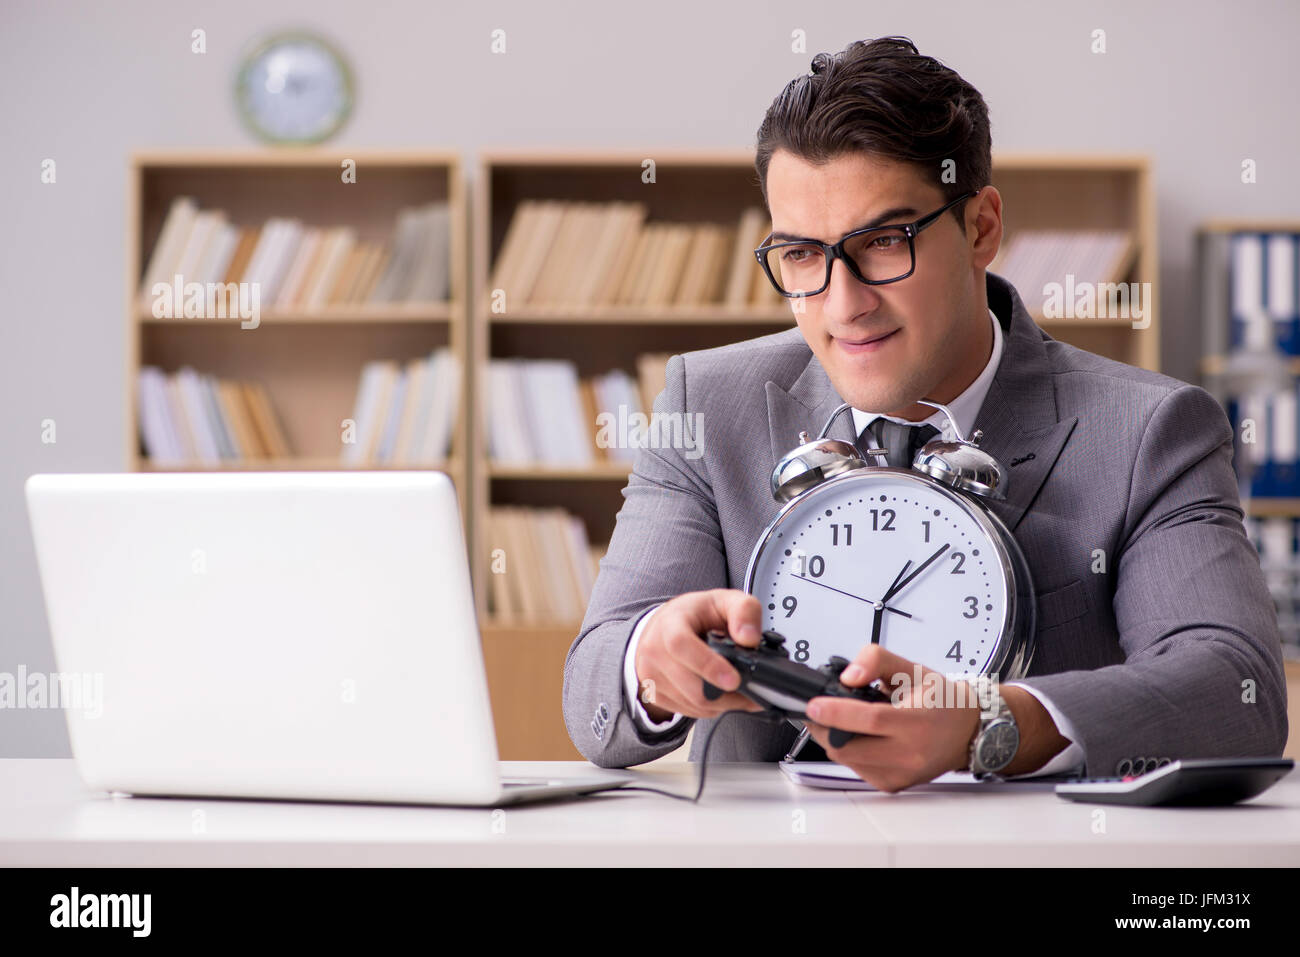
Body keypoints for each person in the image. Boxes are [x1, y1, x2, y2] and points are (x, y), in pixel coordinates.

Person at [561, 36, 1288, 792]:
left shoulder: (1149, 432)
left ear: (982, 228)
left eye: (883, 242)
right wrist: (649, 659)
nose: (844, 304)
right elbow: (592, 700)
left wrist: (992, 724)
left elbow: (1235, 689)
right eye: (803, 256)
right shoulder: (708, 405)